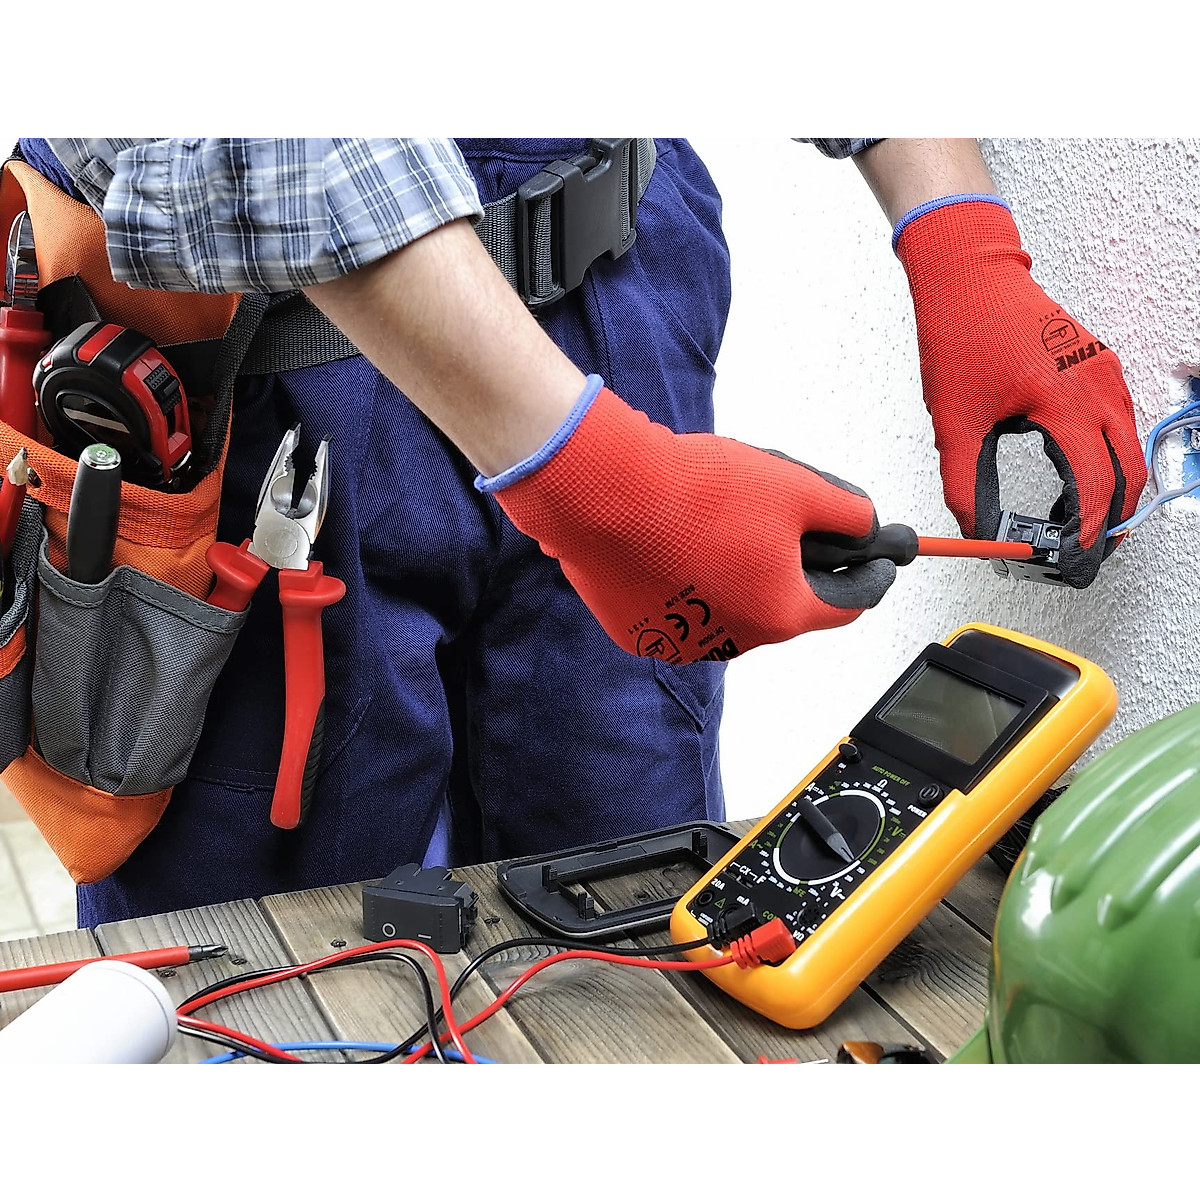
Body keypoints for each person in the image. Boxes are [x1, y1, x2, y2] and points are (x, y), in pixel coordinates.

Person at [13, 138, 1145, 925]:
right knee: (258, 963)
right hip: (257, 355)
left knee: (627, 918)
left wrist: (958, 236)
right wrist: (594, 479)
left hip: (618, 289)